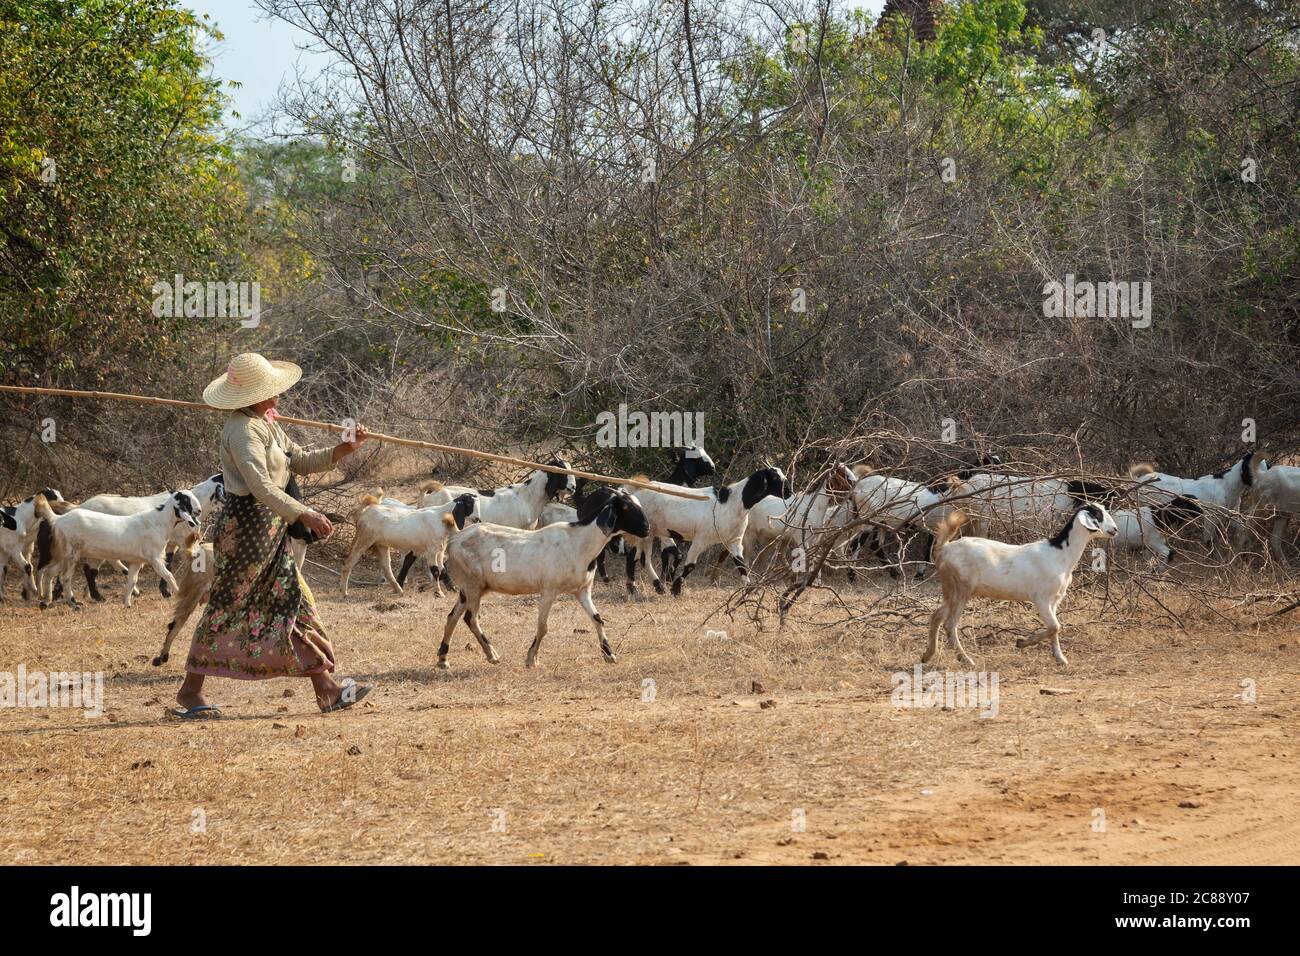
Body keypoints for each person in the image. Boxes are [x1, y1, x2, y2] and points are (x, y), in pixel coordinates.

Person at [172, 352, 372, 718]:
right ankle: (189, 691)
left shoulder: (266, 423)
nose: (279, 395)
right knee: (229, 606)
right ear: (253, 395)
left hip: (271, 530)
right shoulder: (242, 430)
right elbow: (261, 486)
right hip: (247, 532)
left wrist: (345, 449)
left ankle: (326, 688)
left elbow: (299, 460)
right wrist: (305, 513)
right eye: (272, 389)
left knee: (294, 600)